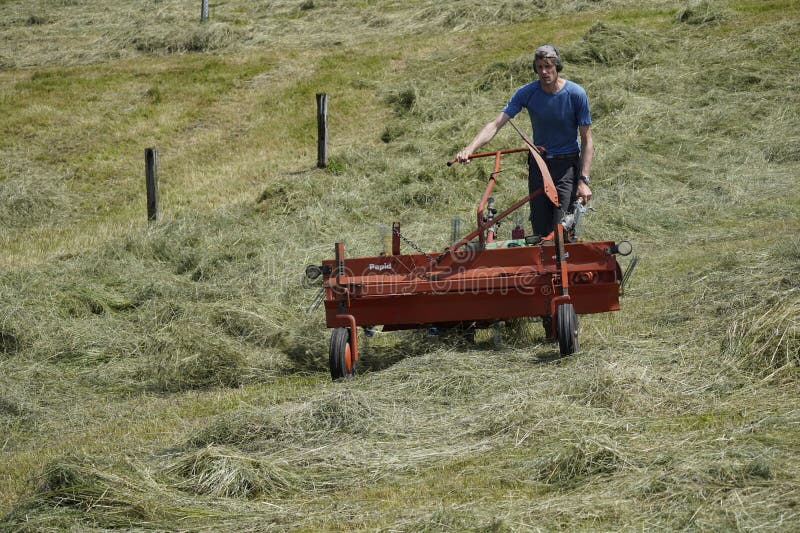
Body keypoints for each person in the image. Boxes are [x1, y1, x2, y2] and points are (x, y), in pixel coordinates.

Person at [455, 44, 593, 242]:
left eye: (548, 66)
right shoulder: (527, 93)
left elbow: (587, 140)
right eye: (539, 67)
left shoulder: (576, 94)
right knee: (540, 229)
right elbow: (495, 124)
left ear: (557, 65)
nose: (544, 71)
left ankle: (563, 268)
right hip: (540, 166)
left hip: (566, 167)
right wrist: (469, 149)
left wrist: (583, 180)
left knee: (563, 228)